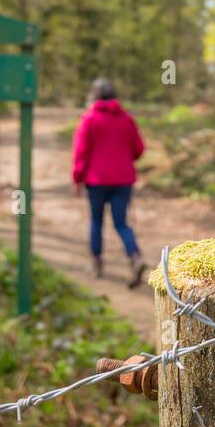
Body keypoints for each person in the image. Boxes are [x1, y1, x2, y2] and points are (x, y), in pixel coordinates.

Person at [72, 78, 147, 287]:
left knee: (96, 221)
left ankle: (96, 262)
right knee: (121, 223)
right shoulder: (126, 119)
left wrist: (77, 177)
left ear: (94, 96)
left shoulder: (89, 119)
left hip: (96, 181)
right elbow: (139, 149)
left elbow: (81, 152)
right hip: (123, 180)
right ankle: (135, 257)